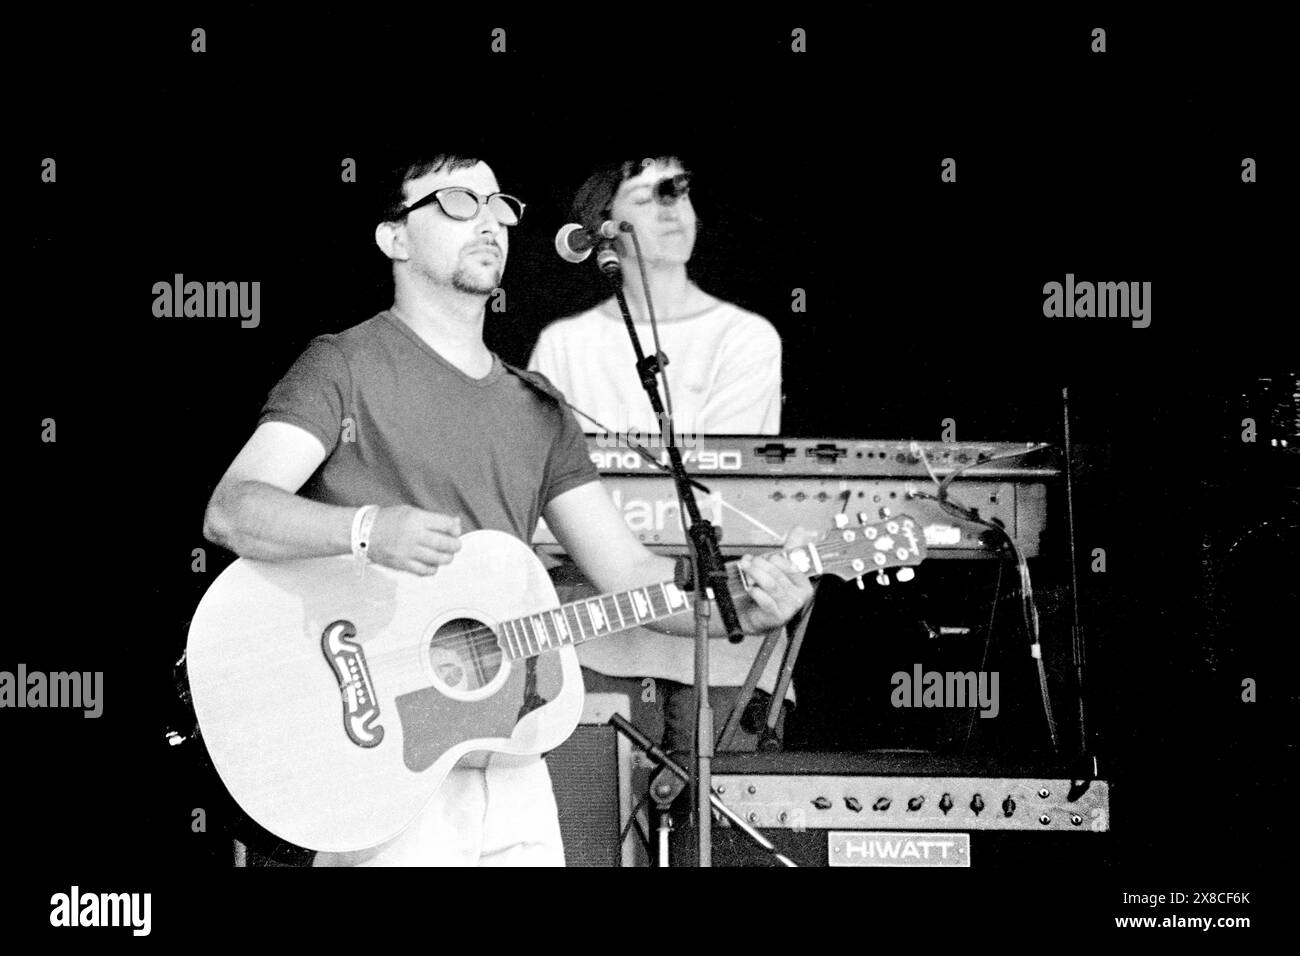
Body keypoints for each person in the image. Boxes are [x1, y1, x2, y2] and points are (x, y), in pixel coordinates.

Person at [201, 153, 812, 866]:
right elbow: (234, 510)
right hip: (377, 752)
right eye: (459, 201)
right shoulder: (344, 365)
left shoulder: (539, 408)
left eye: (500, 206)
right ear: (394, 238)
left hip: (507, 747)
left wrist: (741, 609)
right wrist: (366, 528)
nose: (490, 220)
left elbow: (631, 576)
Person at [529, 156, 791, 772]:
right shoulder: (564, 345)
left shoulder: (746, 337)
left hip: (726, 646)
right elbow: (542, 519)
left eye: (680, 193)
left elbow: (728, 510)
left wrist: (596, 524)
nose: (673, 207)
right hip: (596, 650)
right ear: (604, 226)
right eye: (649, 197)